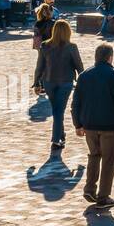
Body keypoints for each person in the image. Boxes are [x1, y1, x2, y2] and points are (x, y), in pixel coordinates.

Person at [71, 43, 114, 209]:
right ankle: (103, 197)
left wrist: (77, 124)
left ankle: (89, 188)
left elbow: (76, 103)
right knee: (109, 160)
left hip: (89, 125)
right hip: (109, 125)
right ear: (110, 57)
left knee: (94, 156)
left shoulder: (84, 75)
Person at [32, 19, 84, 149]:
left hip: (48, 82)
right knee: (58, 111)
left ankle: (61, 135)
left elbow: (39, 67)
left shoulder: (45, 45)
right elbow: (79, 66)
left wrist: (36, 83)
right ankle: (56, 140)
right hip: (65, 82)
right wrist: (83, 82)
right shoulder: (72, 47)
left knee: (57, 109)